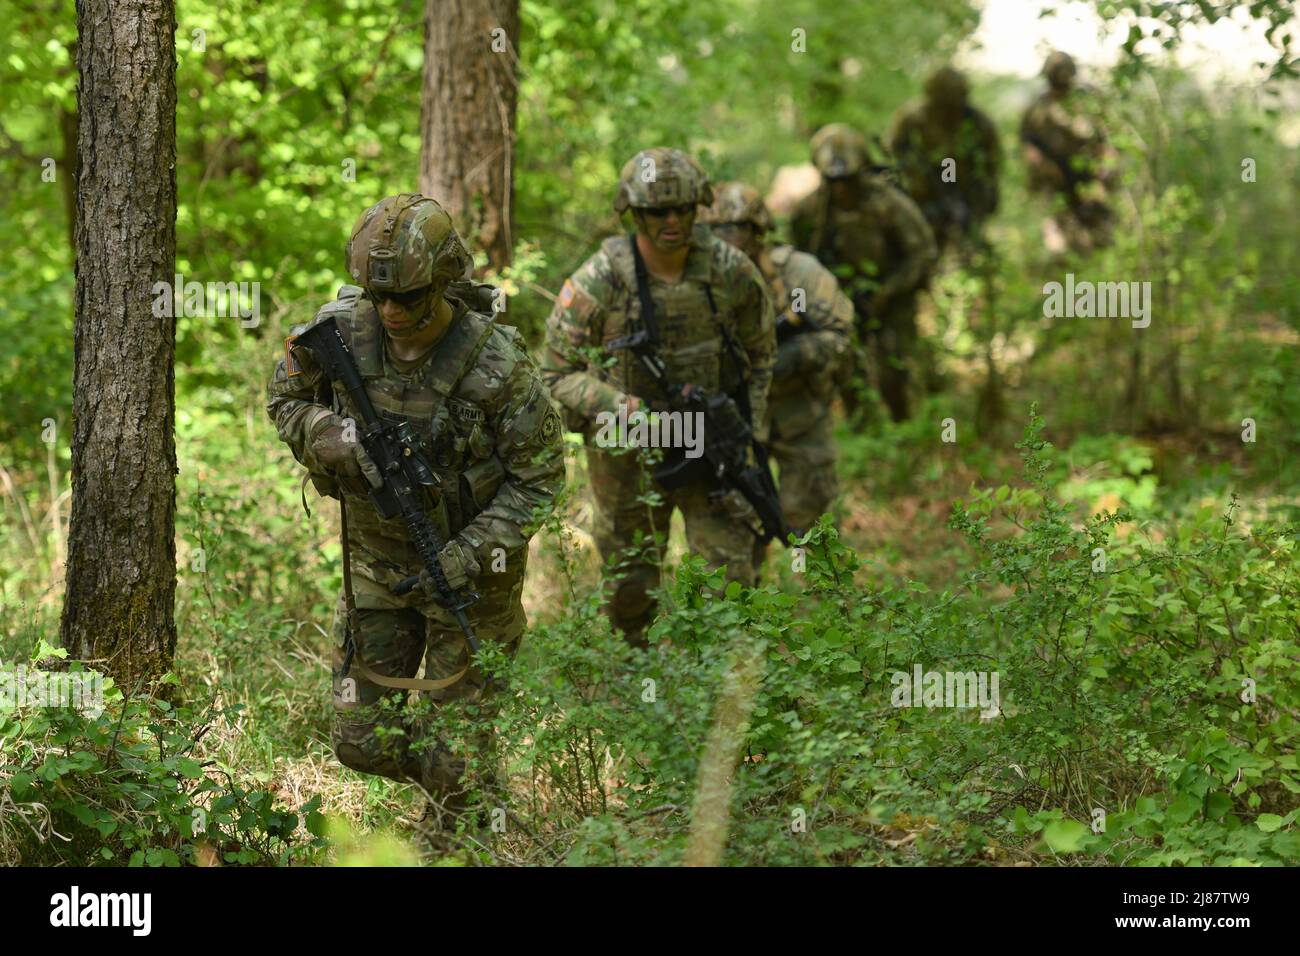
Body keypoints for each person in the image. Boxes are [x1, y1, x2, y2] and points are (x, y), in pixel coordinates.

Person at [266, 193, 564, 816]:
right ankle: (462, 779)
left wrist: (465, 555)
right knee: (360, 742)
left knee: (457, 763)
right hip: (378, 566)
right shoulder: (337, 333)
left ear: (445, 280)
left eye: (409, 296)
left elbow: (538, 480)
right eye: (381, 298)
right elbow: (284, 400)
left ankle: (461, 806)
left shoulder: (496, 363)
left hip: (471, 581)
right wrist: (337, 438)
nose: (393, 311)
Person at [542, 148, 775, 645]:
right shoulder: (601, 278)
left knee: (729, 577)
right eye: (656, 212)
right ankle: (637, 679)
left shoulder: (729, 270)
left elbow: (760, 354)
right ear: (634, 212)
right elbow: (554, 372)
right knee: (630, 583)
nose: (671, 222)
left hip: (708, 446)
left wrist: (747, 428)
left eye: (682, 209)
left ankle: (718, 690)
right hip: (629, 451)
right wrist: (622, 408)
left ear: (699, 207)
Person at [701, 181, 853, 548]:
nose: (725, 238)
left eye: (733, 228)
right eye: (713, 230)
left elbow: (841, 337)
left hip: (798, 410)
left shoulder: (798, 273)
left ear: (758, 230)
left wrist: (789, 358)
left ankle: (826, 598)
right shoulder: (697, 278)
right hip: (733, 420)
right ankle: (748, 602)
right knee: (738, 526)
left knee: (812, 522)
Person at [791, 123, 937, 422]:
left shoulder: (887, 202)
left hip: (891, 296)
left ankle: (903, 427)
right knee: (846, 369)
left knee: (892, 369)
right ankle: (862, 431)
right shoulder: (811, 213)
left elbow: (922, 251)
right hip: (839, 301)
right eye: (833, 180)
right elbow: (798, 261)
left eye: (847, 179)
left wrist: (890, 290)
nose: (841, 188)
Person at [889, 65, 1001, 255]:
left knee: (970, 242)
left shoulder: (978, 122)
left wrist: (986, 193)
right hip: (925, 191)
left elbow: (991, 161)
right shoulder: (913, 118)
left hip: (965, 189)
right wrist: (914, 173)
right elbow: (896, 148)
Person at [1019, 51, 1118, 255]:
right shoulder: (1038, 108)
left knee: (1103, 240)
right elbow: (1028, 144)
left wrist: (1103, 173)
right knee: (1059, 249)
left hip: (1089, 182)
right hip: (1056, 185)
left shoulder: (1089, 102)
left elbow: (1108, 143)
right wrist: (1044, 166)